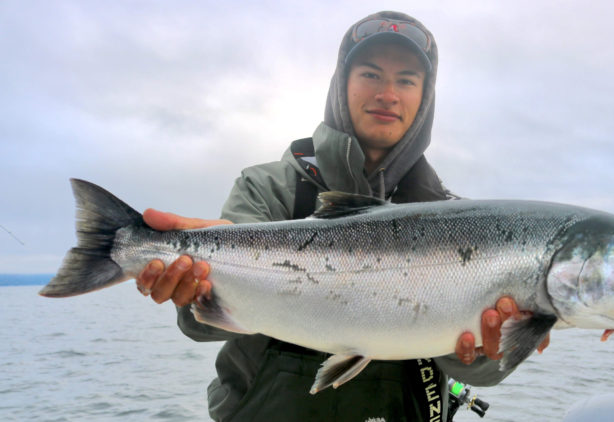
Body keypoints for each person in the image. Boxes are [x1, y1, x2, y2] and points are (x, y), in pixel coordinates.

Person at [136, 11, 548, 422]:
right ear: (341, 84)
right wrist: (195, 288)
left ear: (425, 98)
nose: (388, 93)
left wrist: (486, 351)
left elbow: (472, 369)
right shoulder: (266, 188)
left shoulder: (457, 221)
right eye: (370, 74)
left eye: (406, 80)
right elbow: (204, 326)